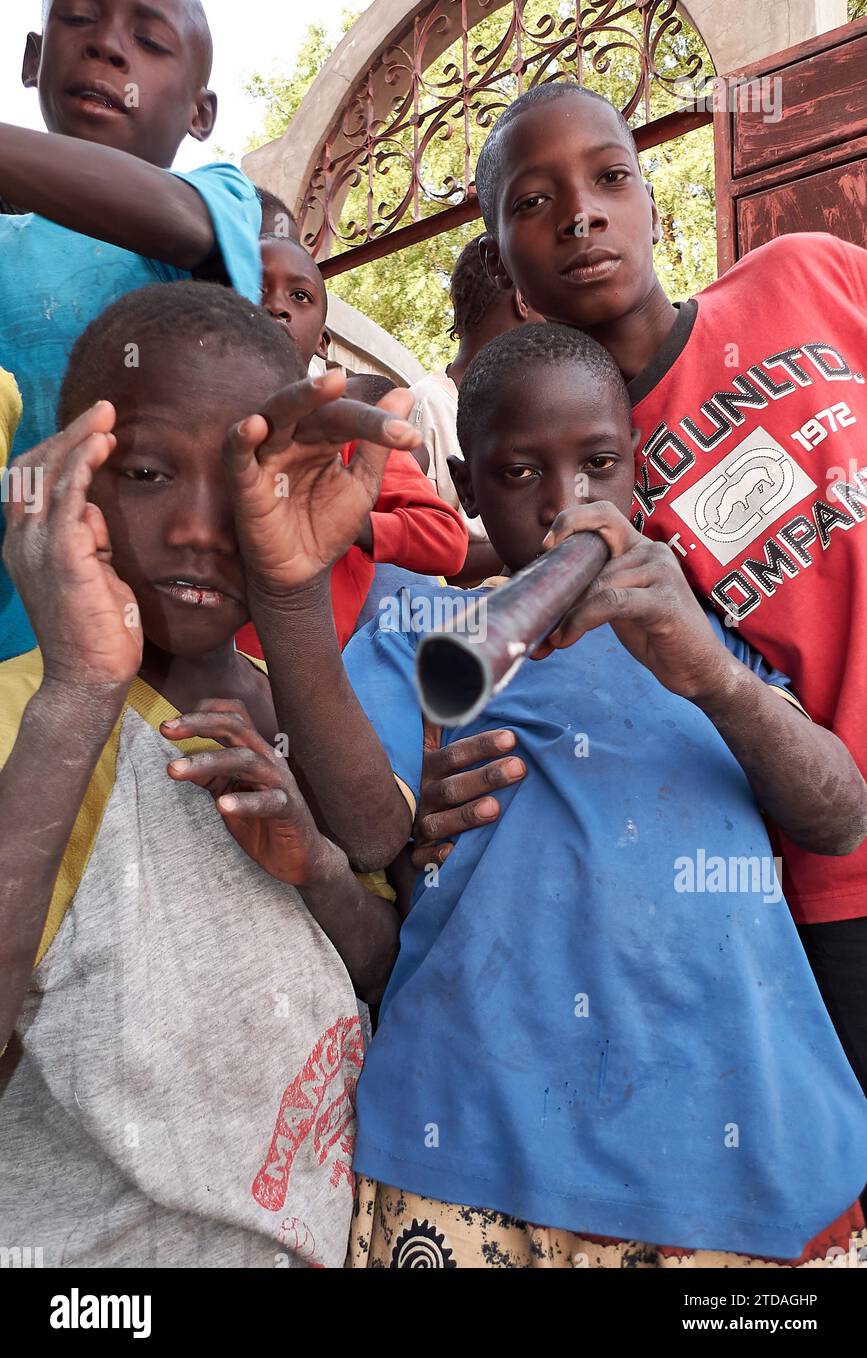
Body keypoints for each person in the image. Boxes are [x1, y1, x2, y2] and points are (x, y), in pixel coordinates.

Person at [244, 319, 867, 1267]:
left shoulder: (705, 624)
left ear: (637, 476)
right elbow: (368, 832)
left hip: (741, 1160)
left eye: (599, 463)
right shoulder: (424, 629)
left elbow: (838, 819)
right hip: (473, 1157)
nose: (564, 502)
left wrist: (713, 678)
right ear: (470, 487)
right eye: (518, 472)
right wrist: (289, 595)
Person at [0, 280, 424, 1267]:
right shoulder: (32, 713)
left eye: (239, 480)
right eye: (147, 472)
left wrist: (315, 866)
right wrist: (78, 695)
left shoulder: (299, 709)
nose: (201, 524)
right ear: (72, 483)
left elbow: (383, 936)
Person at [471, 79, 867, 1099]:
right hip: (837, 868)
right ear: (509, 273)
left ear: (658, 205)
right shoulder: (586, 483)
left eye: (610, 177)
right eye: (533, 200)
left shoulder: (808, 274)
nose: (581, 213)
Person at [0, 0, 263, 661]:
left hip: (153, 641)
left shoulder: (212, 196)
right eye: (79, 19)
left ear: (200, 114)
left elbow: (181, 224)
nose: (108, 49)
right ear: (31, 59)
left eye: (148, 39)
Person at [237, 235, 468, 653]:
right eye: (254, 287)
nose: (275, 305)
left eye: (300, 295)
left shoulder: (348, 434)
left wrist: (352, 524)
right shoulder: (189, 417)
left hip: (299, 682)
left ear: (323, 341)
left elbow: (447, 542)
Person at [409, 234, 543, 585]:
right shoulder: (430, 404)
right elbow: (419, 554)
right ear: (523, 299)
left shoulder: (535, 413)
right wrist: (542, 548)